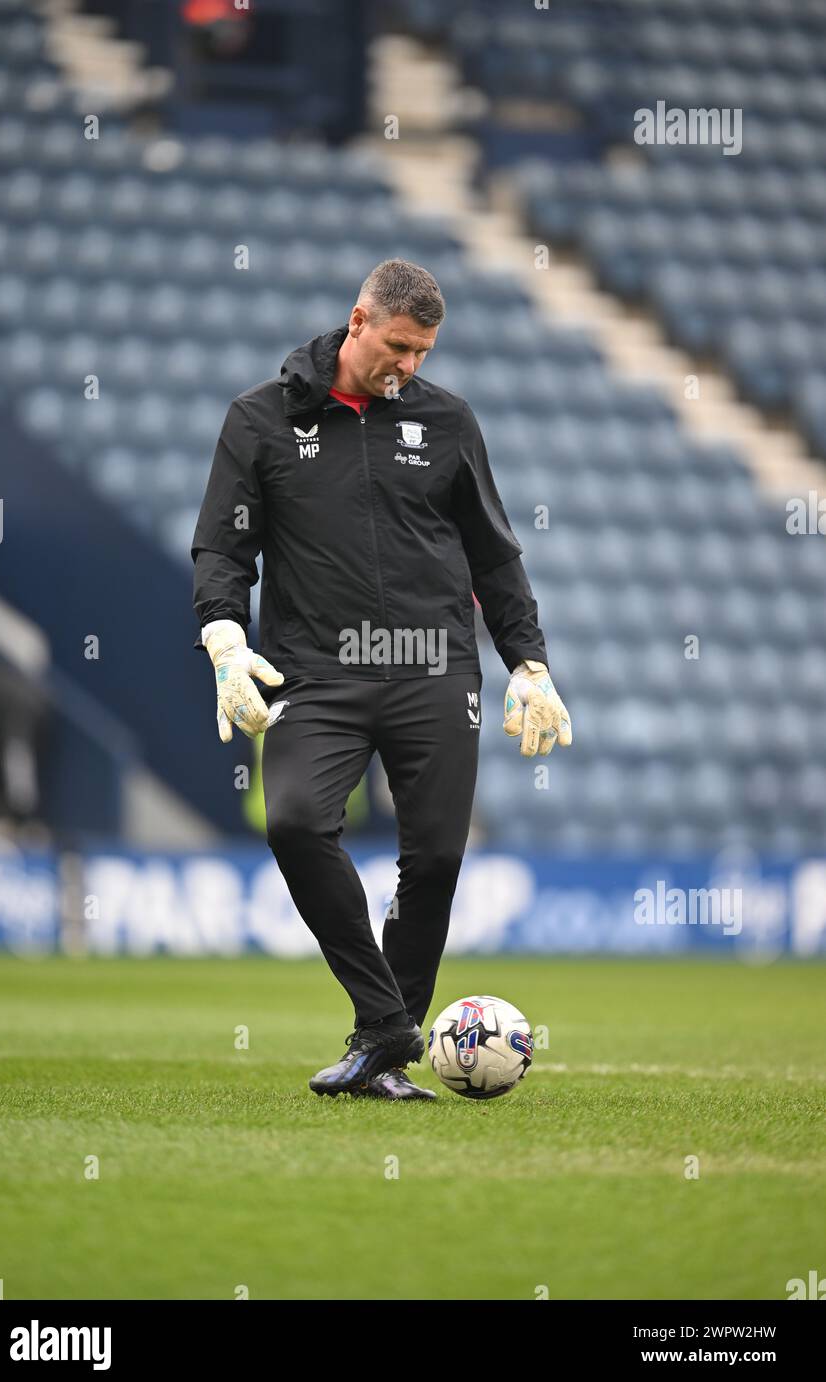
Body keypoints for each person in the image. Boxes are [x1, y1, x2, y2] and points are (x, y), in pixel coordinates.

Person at [192, 259, 571, 1101]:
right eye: (397, 346)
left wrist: (530, 663)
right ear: (358, 322)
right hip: (316, 671)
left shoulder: (448, 422)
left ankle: (381, 1053)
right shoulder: (259, 418)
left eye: (424, 353)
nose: (408, 366)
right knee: (294, 823)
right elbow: (223, 546)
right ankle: (389, 1022)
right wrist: (222, 633)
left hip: (433, 667)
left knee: (434, 856)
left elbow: (494, 554)